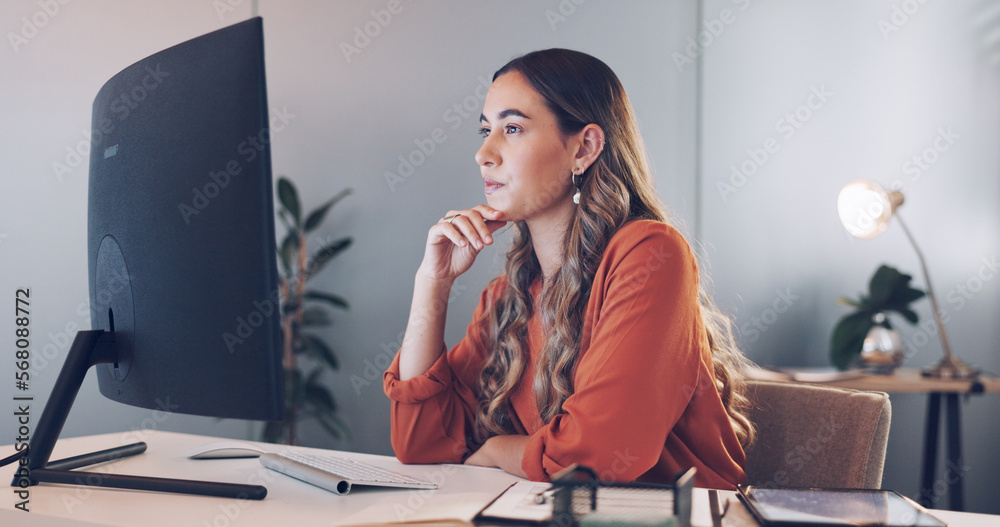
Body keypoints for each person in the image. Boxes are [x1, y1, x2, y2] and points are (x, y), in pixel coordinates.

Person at [382, 48, 753, 489]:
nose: (483, 153)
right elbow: (420, 444)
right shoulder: (511, 295)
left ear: (584, 148)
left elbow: (600, 454)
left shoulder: (651, 255)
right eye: (485, 130)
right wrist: (434, 284)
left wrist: (498, 449)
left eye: (513, 128)